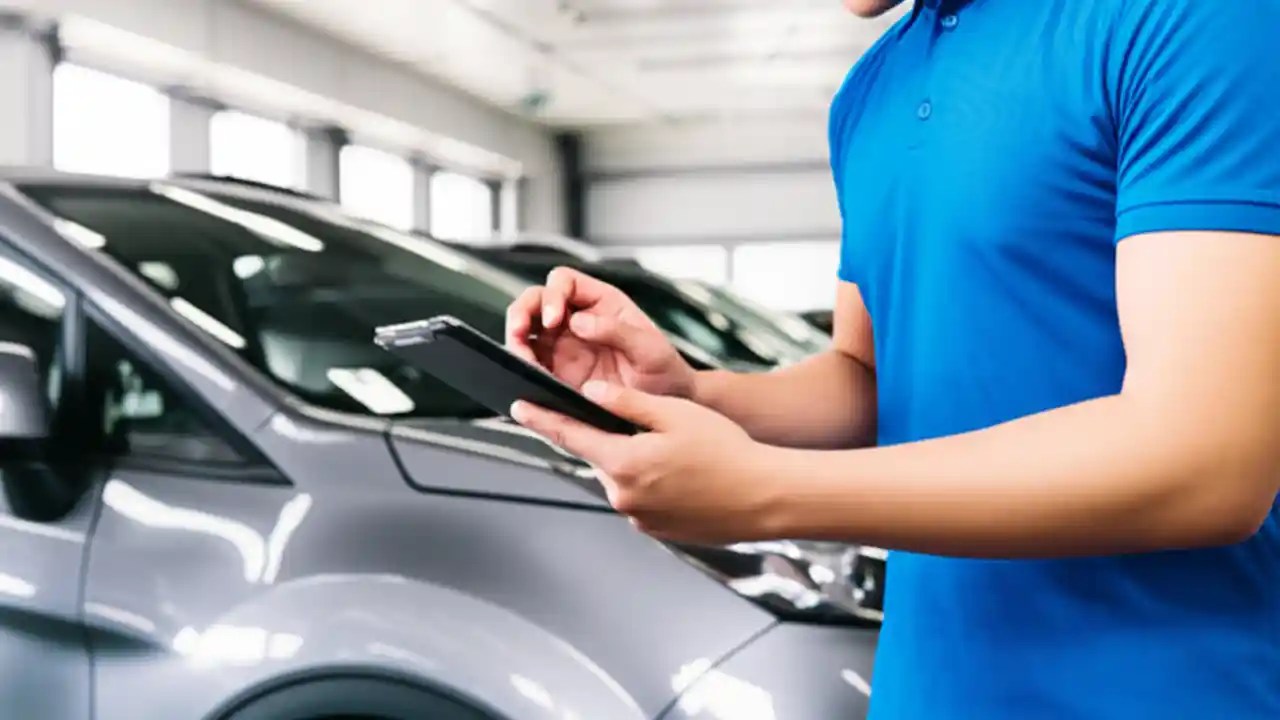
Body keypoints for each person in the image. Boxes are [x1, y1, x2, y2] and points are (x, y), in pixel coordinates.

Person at [506, 0, 1280, 717]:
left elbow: (1207, 464)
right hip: (929, 688)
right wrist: (697, 394)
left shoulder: (1197, 19)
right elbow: (869, 376)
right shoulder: (869, 90)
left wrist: (767, 493)